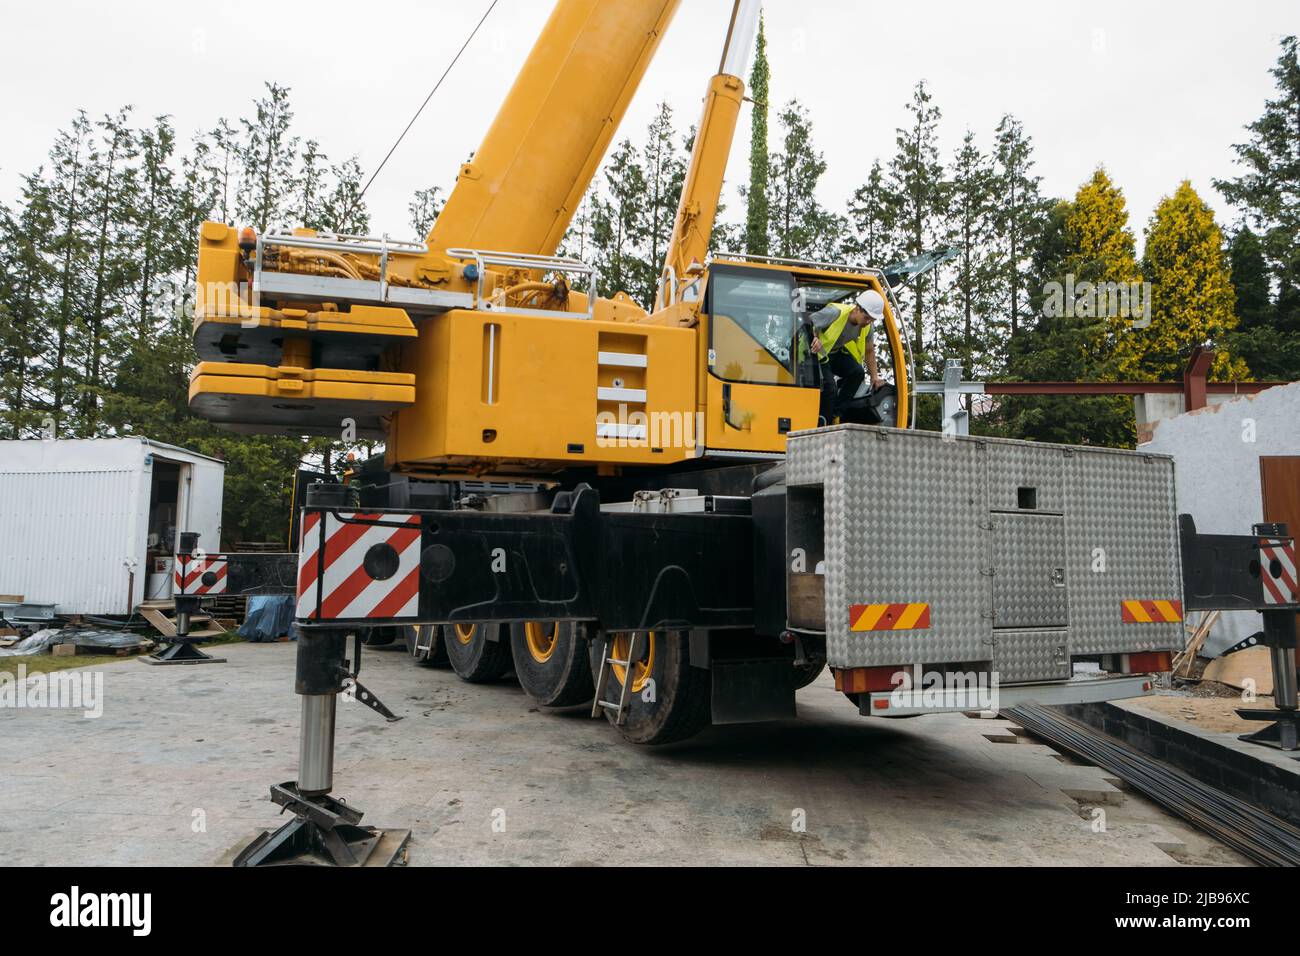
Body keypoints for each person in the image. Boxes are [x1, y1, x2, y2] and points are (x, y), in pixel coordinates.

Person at [808, 288, 885, 424]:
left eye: (871, 320)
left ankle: (836, 414)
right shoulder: (835, 313)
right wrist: (814, 338)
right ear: (857, 308)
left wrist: (874, 376)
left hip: (836, 354)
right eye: (866, 317)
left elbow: (869, 351)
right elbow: (809, 323)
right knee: (830, 388)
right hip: (818, 355)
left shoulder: (867, 327)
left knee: (857, 373)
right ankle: (822, 422)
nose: (868, 322)